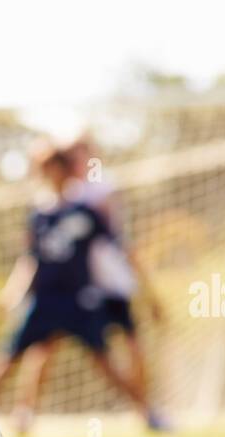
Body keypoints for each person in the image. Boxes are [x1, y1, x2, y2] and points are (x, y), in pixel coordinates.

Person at [0, 144, 157, 433]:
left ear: (62, 170)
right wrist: (13, 290)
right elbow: (30, 259)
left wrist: (146, 291)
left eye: (50, 168)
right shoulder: (39, 216)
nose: (45, 175)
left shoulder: (87, 212)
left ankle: (148, 413)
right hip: (44, 302)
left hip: (78, 301)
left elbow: (118, 249)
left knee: (106, 364)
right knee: (6, 359)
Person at [64, 136, 167, 421]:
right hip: (80, 288)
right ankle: (25, 411)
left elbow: (120, 239)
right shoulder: (65, 196)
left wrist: (149, 292)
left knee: (133, 347)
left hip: (114, 283)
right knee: (51, 349)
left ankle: (145, 408)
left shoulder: (102, 189)